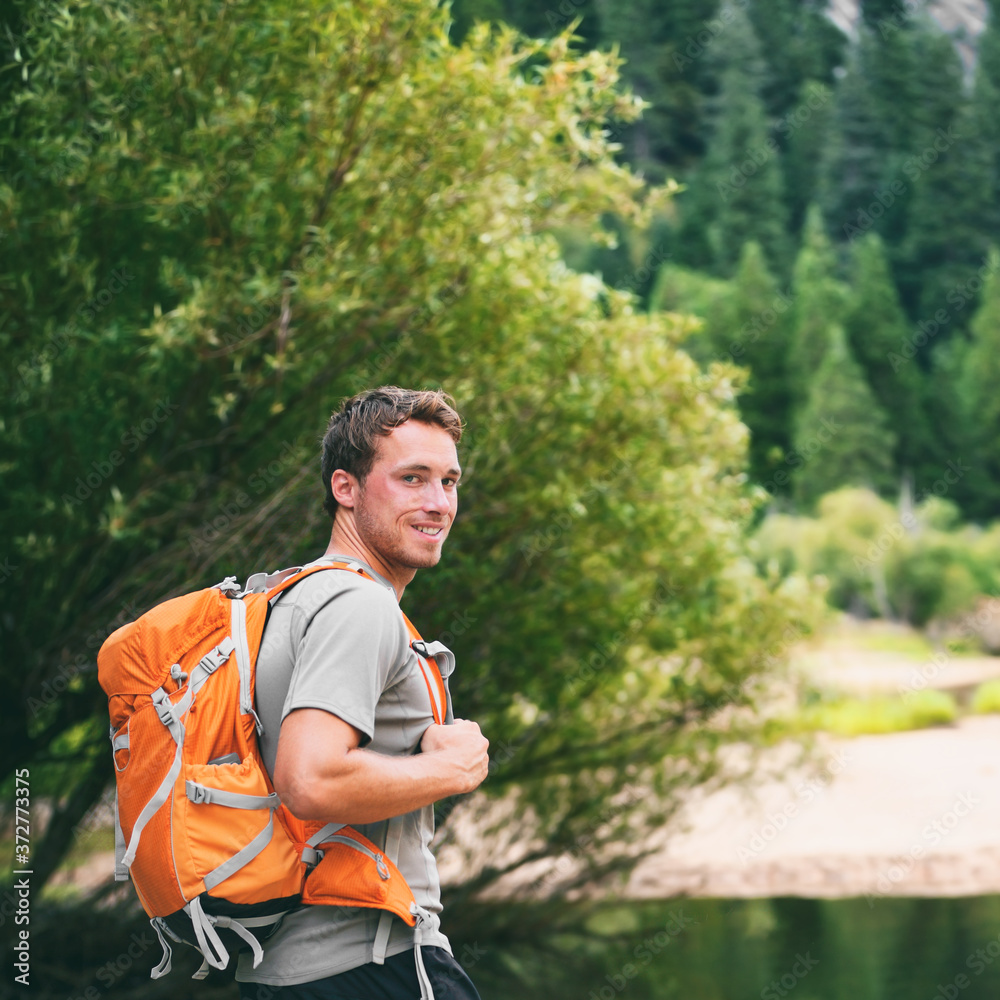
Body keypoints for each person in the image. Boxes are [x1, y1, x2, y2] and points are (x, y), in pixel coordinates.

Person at [236, 386, 489, 1000]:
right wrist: (451, 769)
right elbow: (310, 780)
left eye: (449, 482)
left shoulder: (291, 597)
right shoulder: (358, 603)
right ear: (345, 488)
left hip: (287, 970)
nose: (438, 504)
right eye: (412, 479)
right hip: (370, 962)